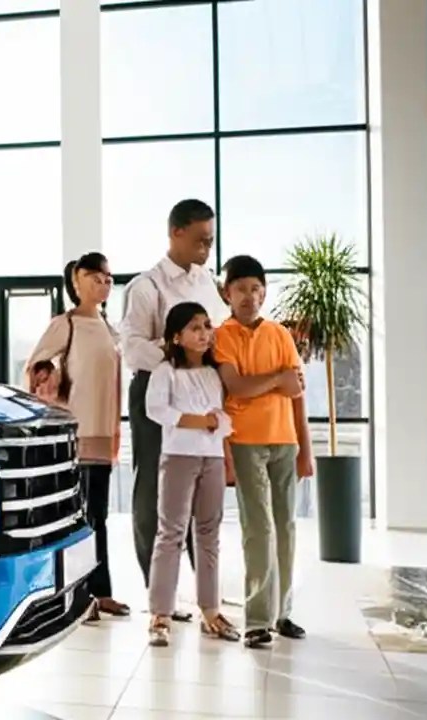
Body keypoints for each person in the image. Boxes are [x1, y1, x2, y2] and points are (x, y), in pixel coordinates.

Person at [118, 199, 229, 622]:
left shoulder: (208, 284)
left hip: (203, 390)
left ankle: (207, 597)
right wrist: (177, 354)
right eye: (201, 240)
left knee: (203, 493)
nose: (207, 248)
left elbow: (219, 335)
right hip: (157, 389)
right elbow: (132, 347)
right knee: (155, 489)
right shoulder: (146, 286)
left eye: (211, 241)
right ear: (175, 233)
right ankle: (160, 597)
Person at [212, 255, 313, 648]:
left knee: (286, 526)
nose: (249, 296)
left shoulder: (280, 334)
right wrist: (277, 380)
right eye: (240, 289)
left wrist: (306, 449)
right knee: (259, 529)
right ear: (227, 294)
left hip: (285, 440)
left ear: (264, 293)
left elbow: (297, 393)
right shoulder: (222, 336)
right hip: (245, 441)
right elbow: (236, 387)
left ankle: (283, 613)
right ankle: (257, 620)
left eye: (256, 289)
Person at [27, 252, 127, 620]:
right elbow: (36, 367)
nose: (103, 284)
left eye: (108, 279)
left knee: (98, 515)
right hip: (76, 433)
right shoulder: (65, 324)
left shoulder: (110, 329)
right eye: (95, 277)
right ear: (76, 281)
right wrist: (48, 375)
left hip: (104, 434)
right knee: (78, 519)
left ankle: (101, 593)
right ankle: (78, 596)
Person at [144, 301, 241, 646]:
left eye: (207, 326)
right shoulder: (165, 371)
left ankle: (211, 611)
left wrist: (225, 453)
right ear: (177, 336)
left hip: (211, 458)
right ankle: (160, 614)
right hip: (178, 457)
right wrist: (201, 420)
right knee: (171, 532)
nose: (204, 334)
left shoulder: (215, 373)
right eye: (195, 328)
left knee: (209, 534)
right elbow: (156, 410)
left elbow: (223, 417)